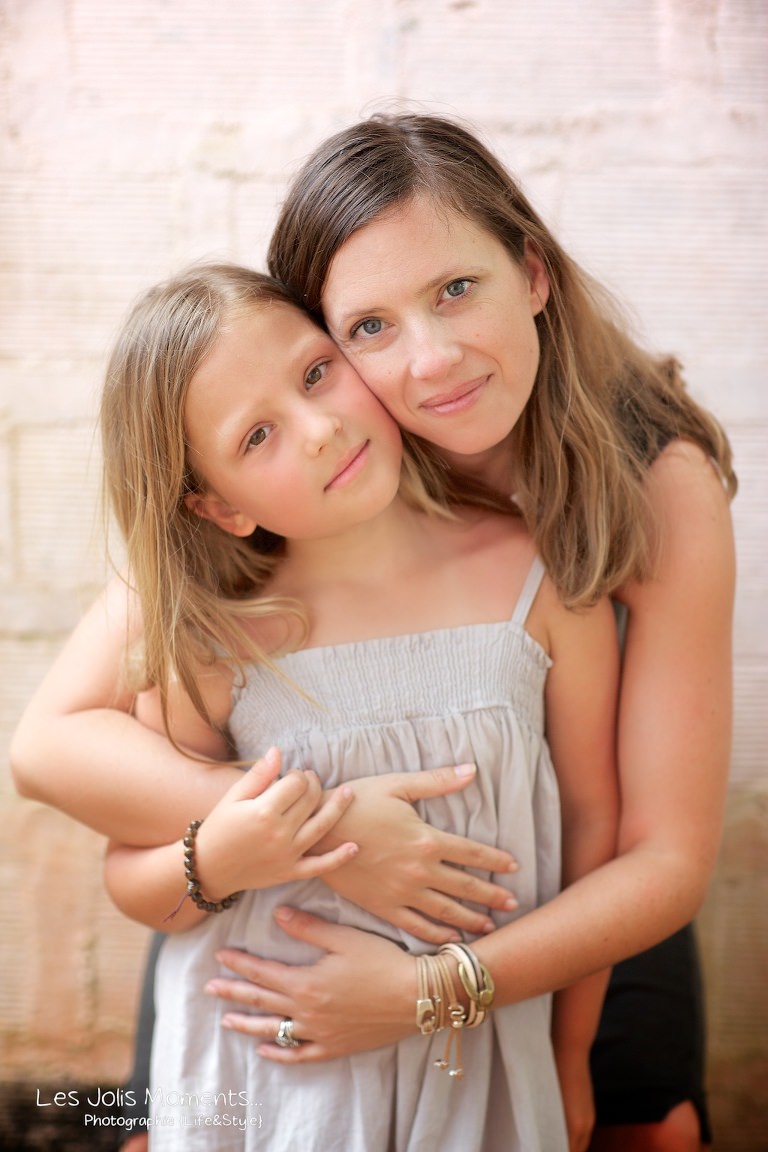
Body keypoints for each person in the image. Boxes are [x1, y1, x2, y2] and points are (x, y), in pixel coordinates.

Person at [10, 111, 736, 1150]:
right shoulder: (282, 478)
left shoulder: (650, 480)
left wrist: (437, 997)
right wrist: (325, 835)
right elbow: (49, 747)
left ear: (531, 271)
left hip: (573, 899)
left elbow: (651, 852)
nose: (432, 361)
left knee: (647, 1133)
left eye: (455, 289)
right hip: (280, 913)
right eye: (369, 329)